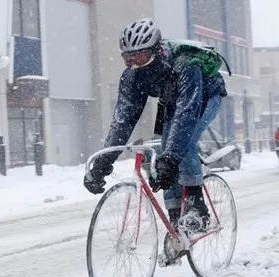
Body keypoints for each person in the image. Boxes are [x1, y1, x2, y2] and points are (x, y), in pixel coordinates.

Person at [83, 18, 228, 232]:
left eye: (140, 56)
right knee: (163, 153)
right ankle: (176, 222)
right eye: (128, 58)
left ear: (156, 49)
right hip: (172, 100)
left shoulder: (186, 65)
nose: (135, 63)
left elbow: (186, 114)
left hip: (206, 95)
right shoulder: (132, 78)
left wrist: (171, 159)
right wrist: (103, 164)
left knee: (181, 146)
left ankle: (198, 207)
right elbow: (122, 122)